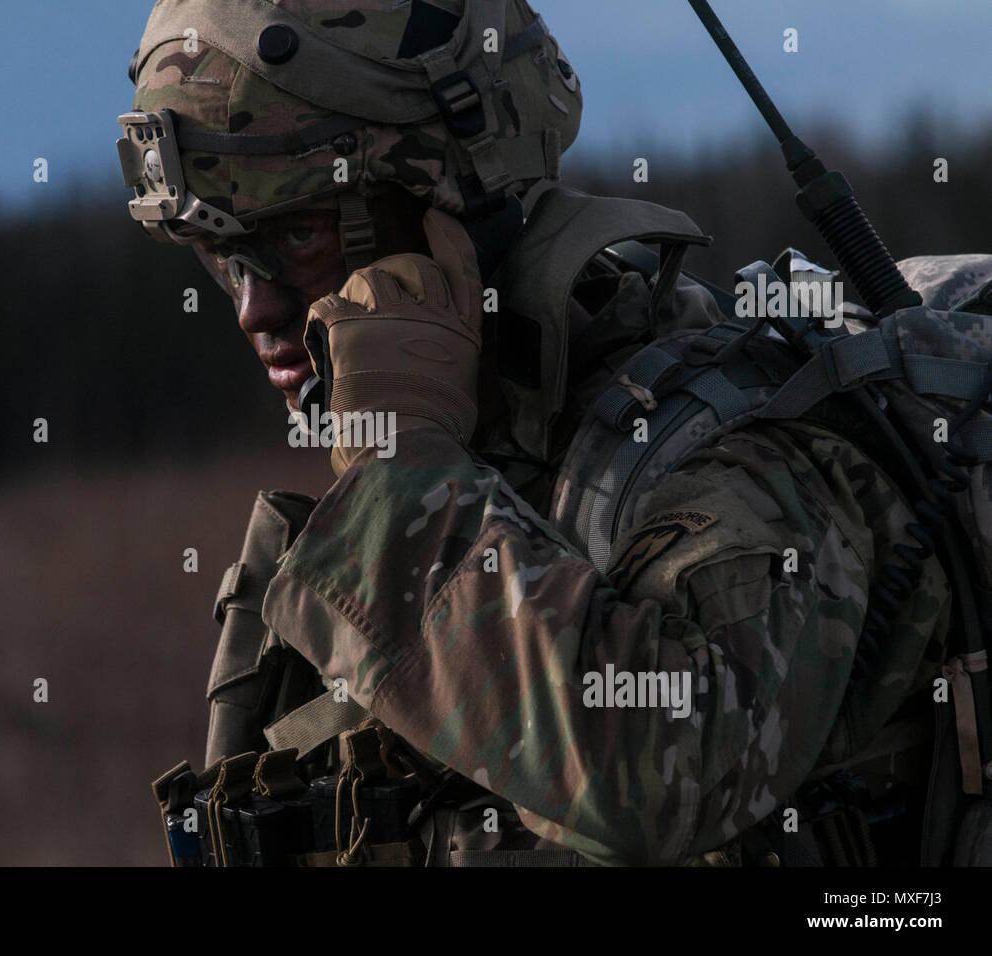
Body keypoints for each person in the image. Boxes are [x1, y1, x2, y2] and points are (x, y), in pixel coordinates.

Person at [123, 0, 966, 866]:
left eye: (297, 236)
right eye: (222, 256)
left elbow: (671, 775)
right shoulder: (467, 465)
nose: (256, 309)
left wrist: (399, 472)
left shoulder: (716, 449)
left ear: (454, 202)